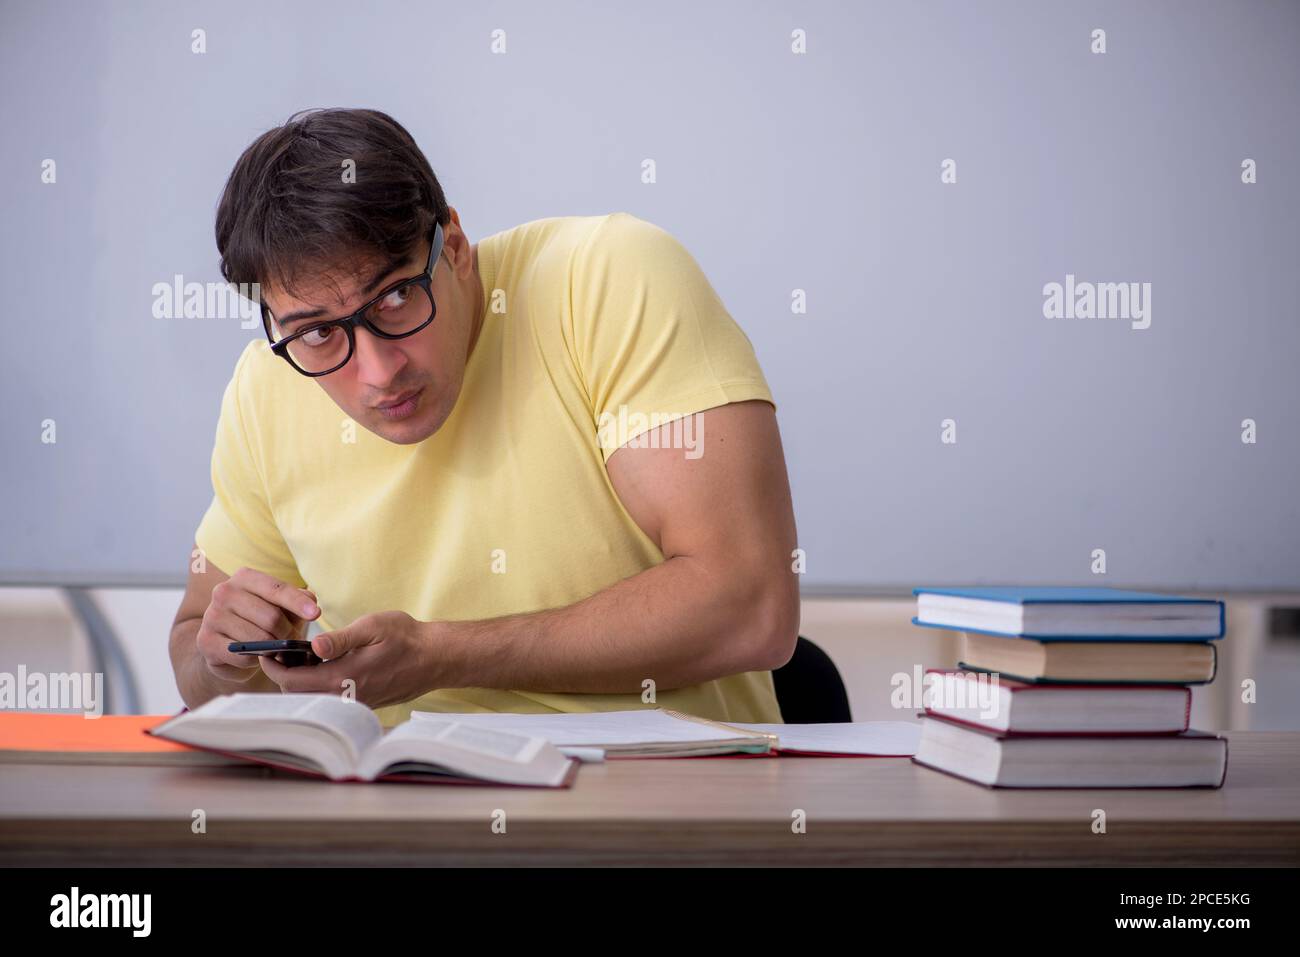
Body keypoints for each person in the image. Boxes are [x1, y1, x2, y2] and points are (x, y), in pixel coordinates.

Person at [167, 108, 799, 727]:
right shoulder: (266, 385)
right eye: (319, 334)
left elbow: (752, 608)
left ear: (457, 248)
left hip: (658, 809)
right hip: (399, 811)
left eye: (394, 296)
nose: (380, 370)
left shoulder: (608, 276)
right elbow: (195, 649)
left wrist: (444, 657)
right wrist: (220, 661)